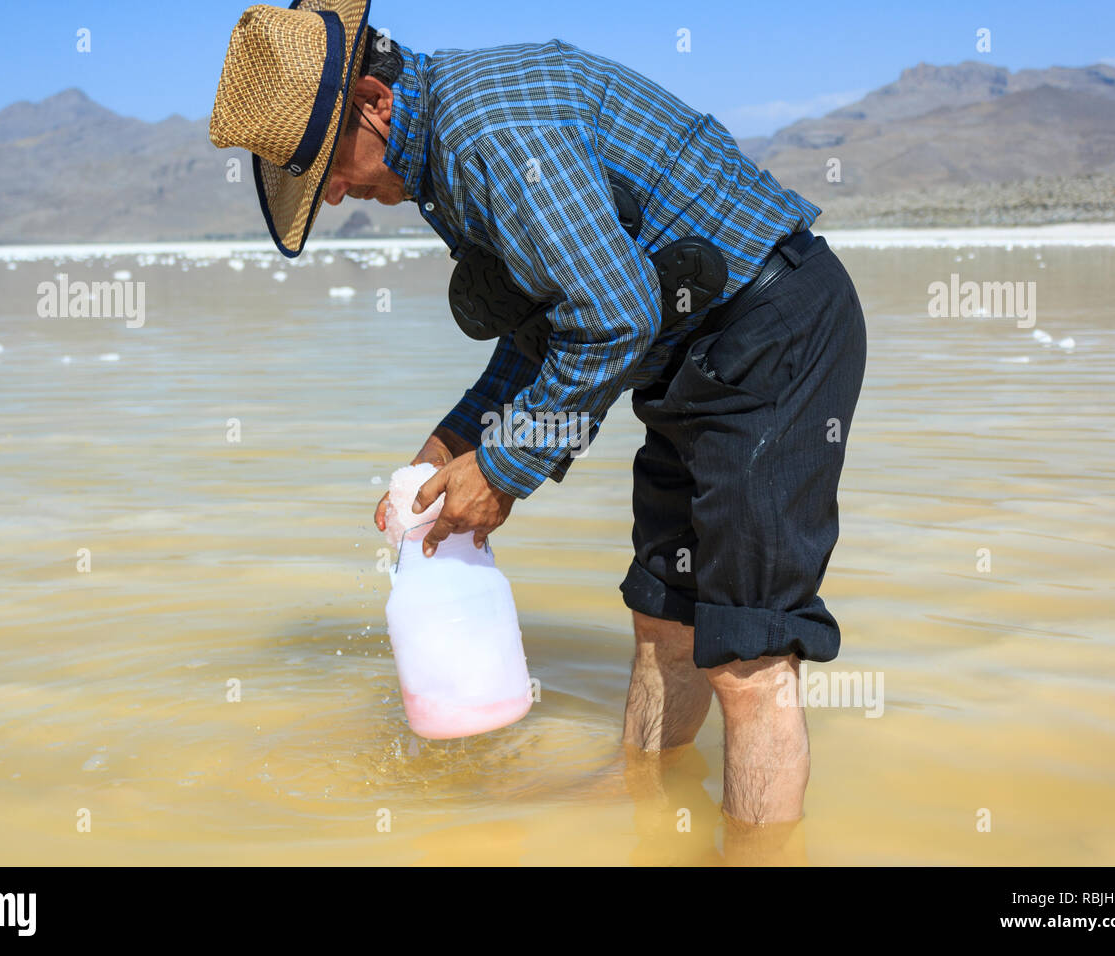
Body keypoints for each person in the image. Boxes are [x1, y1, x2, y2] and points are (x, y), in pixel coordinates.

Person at [210, 0, 866, 826]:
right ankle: (646, 806)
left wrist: (502, 470)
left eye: (327, 165)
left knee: (749, 654)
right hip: (694, 354)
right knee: (664, 613)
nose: (335, 192)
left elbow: (615, 314)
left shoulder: (490, 135)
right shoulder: (450, 149)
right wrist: (444, 454)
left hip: (773, 332)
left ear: (373, 100)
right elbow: (548, 326)